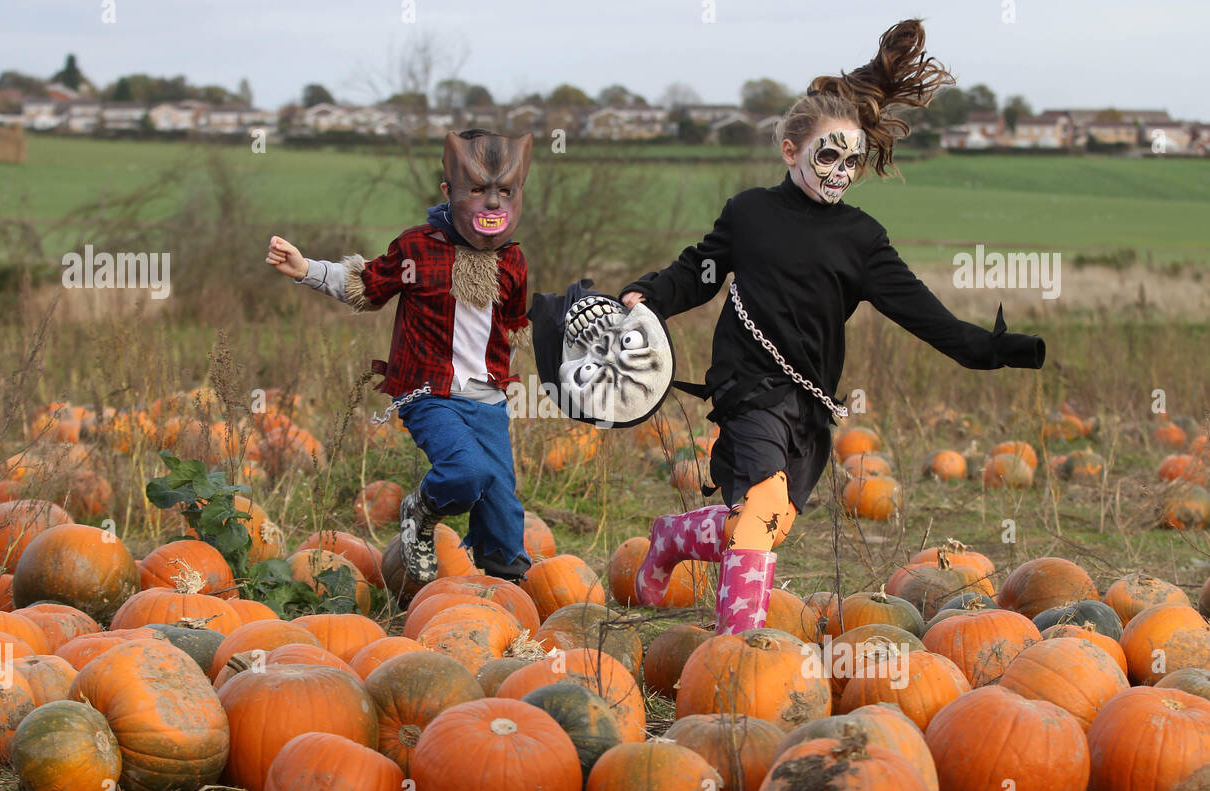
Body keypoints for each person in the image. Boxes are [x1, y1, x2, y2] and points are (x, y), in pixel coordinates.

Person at [622, 19, 1046, 634]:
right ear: (791, 150)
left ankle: (669, 537)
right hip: (748, 386)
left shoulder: (862, 239)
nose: (841, 170)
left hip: (810, 401)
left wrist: (989, 348)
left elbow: (921, 311)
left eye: (854, 159)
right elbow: (701, 270)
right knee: (762, 508)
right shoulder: (750, 214)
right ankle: (735, 660)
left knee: (763, 526)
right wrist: (652, 294)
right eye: (829, 154)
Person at [265, 129, 535, 592]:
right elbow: (367, 285)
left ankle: (505, 589)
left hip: (488, 399)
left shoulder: (512, 260)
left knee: (502, 503)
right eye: (477, 190)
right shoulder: (416, 248)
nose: (492, 204)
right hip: (428, 392)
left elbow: (519, 324)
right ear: (449, 192)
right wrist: (306, 268)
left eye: (504, 192)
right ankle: (421, 510)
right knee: (467, 473)